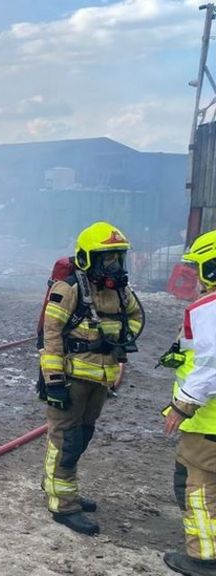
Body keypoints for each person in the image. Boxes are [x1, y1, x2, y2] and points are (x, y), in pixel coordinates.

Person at [39, 221, 143, 535]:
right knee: (67, 441)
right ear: (87, 258)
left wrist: (119, 342)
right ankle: (63, 505)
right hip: (70, 379)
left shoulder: (120, 291)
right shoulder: (69, 288)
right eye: (106, 259)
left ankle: (57, 487)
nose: (112, 266)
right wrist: (53, 381)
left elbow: (136, 318)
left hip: (100, 379)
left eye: (117, 258)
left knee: (82, 437)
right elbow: (51, 336)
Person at [163, 229, 216, 576]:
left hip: (208, 422)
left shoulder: (208, 309)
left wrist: (183, 405)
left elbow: (210, 364)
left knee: (198, 487)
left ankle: (202, 559)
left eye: (199, 269)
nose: (194, 278)